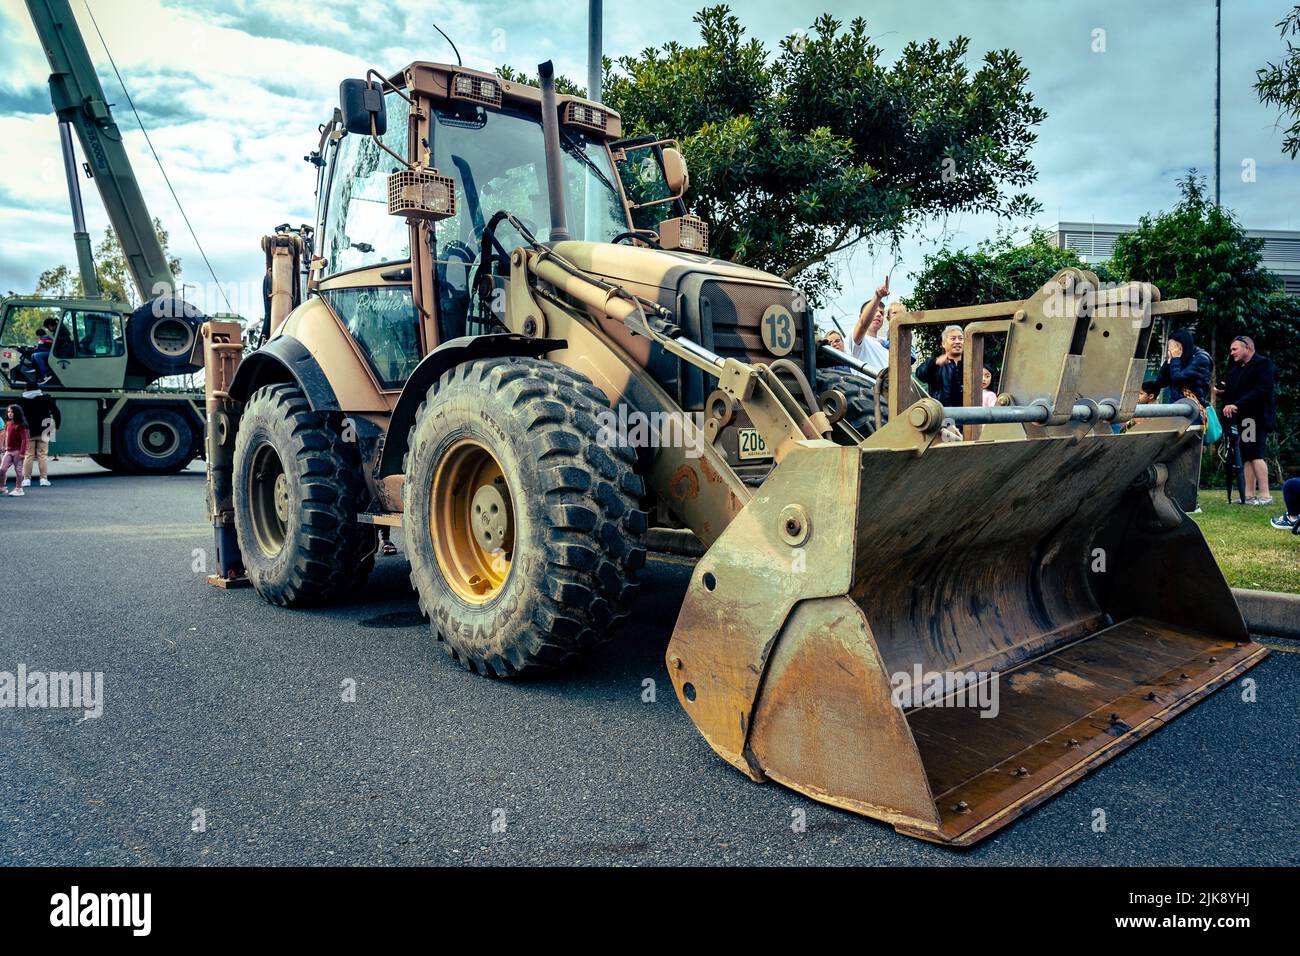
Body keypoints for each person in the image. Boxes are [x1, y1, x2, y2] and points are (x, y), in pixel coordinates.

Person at [1222, 335, 1277, 505]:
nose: (1231, 353)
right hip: (1245, 419)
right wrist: (1222, 390)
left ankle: (1265, 495)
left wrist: (1236, 405)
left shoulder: (1263, 364)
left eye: (1234, 349)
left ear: (1248, 348)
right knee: (1247, 455)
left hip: (1257, 417)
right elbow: (1234, 387)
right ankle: (1249, 495)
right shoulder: (1238, 367)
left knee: (1255, 454)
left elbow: (1262, 390)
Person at [1153, 328, 1212, 405]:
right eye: (1170, 346)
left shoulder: (1201, 358)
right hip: (1176, 406)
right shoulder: (1177, 358)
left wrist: (1176, 359)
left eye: (1175, 346)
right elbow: (1160, 383)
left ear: (1183, 344)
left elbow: (1179, 379)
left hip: (1193, 407)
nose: (1172, 349)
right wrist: (1168, 362)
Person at [849, 278, 892, 373]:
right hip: (867, 387)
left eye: (881, 312)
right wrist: (878, 296)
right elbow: (862, 324)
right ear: (861, 316)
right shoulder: (857, 338)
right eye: (874, 311)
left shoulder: (886, 343)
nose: (878, 314)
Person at [18, 388, 59, 487]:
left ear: (26, 389)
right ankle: (43, 479)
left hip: (29, 430)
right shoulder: (46, 399)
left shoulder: (21, 400)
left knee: (28, 455)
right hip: (44, 430)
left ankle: (26, 480)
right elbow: (56, 412)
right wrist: (56, 426)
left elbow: (17, 416)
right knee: (43, 455)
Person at [916, 325, 964, 407]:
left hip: (967, 414)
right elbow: (920, 374)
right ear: (943, 344)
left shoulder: (970, 364)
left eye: (960, 338)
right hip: (942, 412)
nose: (957, 341)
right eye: (953, 338)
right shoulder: (935, 364)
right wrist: (935, 363)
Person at [2, 404, 29, 496]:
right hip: (8, 451)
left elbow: (24, 440)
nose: (10, 413)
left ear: (17, 413)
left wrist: (22, 453)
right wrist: (3, 446)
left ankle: (19, 489)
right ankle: (2, 487)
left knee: (18, 470)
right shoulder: (8, 424)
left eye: (12, 412)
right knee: (2, 469)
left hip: (17, 451)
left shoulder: (21, 426)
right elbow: (6, 436)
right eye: (9, 411)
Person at [31, 319, 55, 384]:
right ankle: (37, 372)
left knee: (36, 355)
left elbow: (39, 347)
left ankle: (45, 375)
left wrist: (35, 348)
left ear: (39, 335)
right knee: (33, 355)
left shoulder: (44, 338)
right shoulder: (46, 338)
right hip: (49, 351)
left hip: (51, 353)